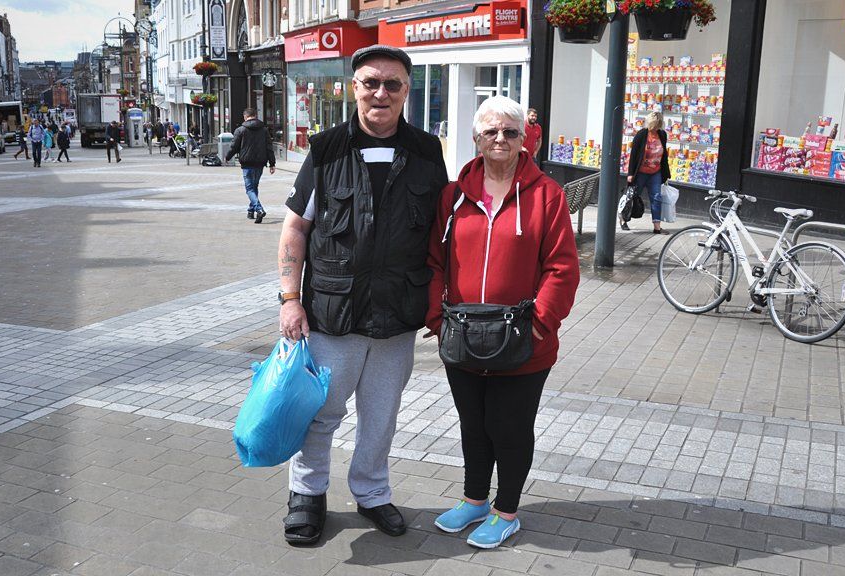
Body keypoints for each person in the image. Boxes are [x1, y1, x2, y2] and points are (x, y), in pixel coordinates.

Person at [278, 45, 449, 546]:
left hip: (397, 315)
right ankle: (307, 496)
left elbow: (442, 228)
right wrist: (290, 297)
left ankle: (372, 494)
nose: (381, 93)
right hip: (333, 313)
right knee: (321, 413)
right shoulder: (326, 148)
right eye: (370, 83)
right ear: (354, 88)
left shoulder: (426, 151)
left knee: (381, 416)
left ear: (406, 92)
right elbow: (294, 229)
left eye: (392, 84)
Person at [426, 96, 580, 549]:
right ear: (475, 138)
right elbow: (434, 261)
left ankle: (506, 510)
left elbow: (562, 268)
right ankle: (475, 500)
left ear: (523, 139)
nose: (500, 139)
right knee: (473, 425)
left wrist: (540, 324)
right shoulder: (453, 195)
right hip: (463, 337)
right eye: (491, 131)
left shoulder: (546, 194)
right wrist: (437, 317)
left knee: (509, 428)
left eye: (510, 132)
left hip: (523, 340)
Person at [623, 111, 671, 234]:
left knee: (656, 198)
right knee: (632, 196)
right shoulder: (641, 135)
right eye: (653, 125)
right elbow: (633, 155)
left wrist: (666, 174)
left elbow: (664, 155)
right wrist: (630, 174)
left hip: (656, 172)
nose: (654, 128)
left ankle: (657, 226)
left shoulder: (662, 135)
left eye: (657, 126)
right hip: (641, 172)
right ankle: (624, 220)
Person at [226, 108, 276, 223]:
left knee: (249, 189)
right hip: (260, 163)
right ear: (255, 116)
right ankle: (250, 211)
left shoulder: (240, 130)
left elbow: (234, 147)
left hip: (247, 163)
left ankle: (259, 209)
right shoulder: (264, 130)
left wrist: (227, 157)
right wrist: (272, 163)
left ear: (245, 117)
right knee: (254, 187)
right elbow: (269, 148)